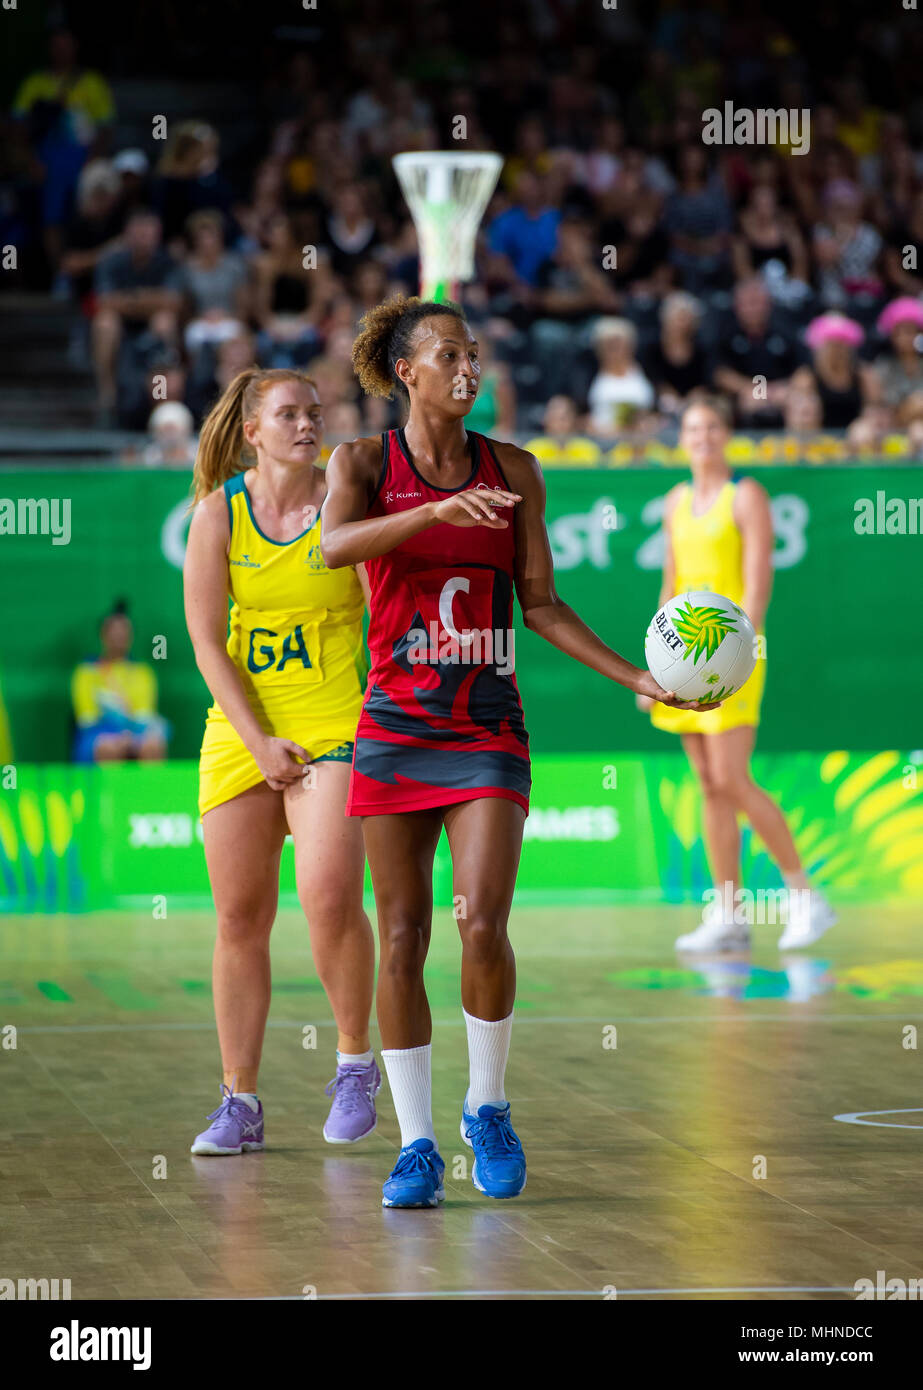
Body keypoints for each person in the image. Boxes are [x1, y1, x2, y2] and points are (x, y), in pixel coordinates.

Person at [319, 294, 712, 1209]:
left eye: (475, 355)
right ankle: (416, 1144)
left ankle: (486, 1107)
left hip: (485, 725)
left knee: (480, 923)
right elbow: (333, 547)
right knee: (402, 936)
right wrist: (436, 511)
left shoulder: (518, 471)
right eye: (449, 355)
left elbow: (538, 602)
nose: (468, 369)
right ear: (406, 371)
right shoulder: (360, 462)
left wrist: (635, 677)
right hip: (393, 725)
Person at [183, 367, 379, 1156]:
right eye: (289, 414)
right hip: (241, 727)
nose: (307, 424)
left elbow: (386, 607)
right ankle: (239, 1101)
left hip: (333, 721)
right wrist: (258, 741)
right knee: (239, 918)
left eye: (314, 412)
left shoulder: (346, 501)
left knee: (329, 897)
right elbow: (204, 639)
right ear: (252, 432)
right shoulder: (217, 513)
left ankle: (354, 1063)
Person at [640, 397, 837, 953]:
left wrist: (733, 655)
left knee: (731, 778)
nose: (701, 436)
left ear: (726, 435)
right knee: (708, 785)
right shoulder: (676, 501)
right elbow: (670, 588)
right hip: (682, 657)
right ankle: (728, 914)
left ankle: (805, 897)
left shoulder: (746, 495)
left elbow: (756, 587)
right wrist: (657, 668)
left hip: (733, 656)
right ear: (682, 438)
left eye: (711, 427)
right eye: (692, 428)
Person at [71, 601, 168, 762]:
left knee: (153, 746)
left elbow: (144, 715)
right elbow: (86, 718)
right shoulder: (86, 671)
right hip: (98, 734)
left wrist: (128, 735)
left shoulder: (143, 672)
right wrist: (116, 735)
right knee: (109, 748)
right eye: (114, 631)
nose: (119, 636)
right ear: (103, 634)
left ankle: (146, 788)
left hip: (136, 734)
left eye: (124, 631)